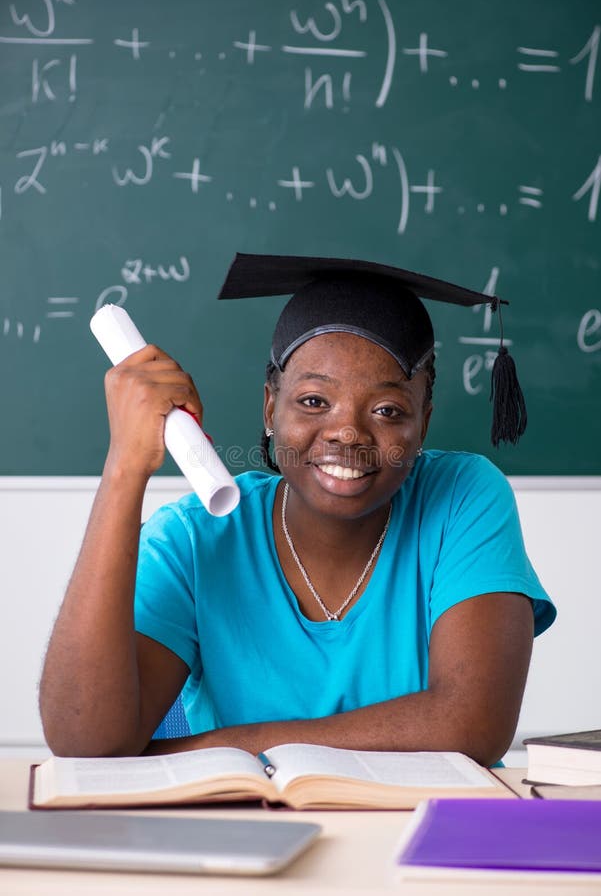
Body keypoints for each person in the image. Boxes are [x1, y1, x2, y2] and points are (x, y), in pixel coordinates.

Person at [39, 254, 555, 765]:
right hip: (244, 838)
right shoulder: (195, 540)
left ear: (423, 423)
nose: (347, 431)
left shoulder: (463, 498)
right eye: (313, 401)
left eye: (387, 410)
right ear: (270, 407)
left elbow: (472, 725)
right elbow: (85, 740)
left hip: (428, 832)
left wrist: (223, 747)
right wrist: (124, 469)